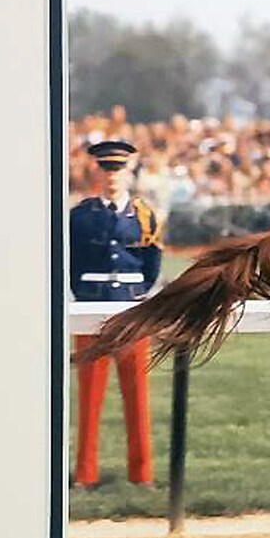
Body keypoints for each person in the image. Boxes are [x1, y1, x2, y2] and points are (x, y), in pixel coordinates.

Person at [69, 139, 163, 488]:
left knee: (137, 395)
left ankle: (142, 475)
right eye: (105, 168)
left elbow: (151, 263)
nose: (112, 176)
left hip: (130, 307)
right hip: (91, 307)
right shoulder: (80, 216)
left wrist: (138, 296)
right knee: (89, 397)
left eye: (118, 168)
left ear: (128, 172)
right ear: (96, 171)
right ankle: (85, 475)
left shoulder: (143, 214)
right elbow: (72, 261)